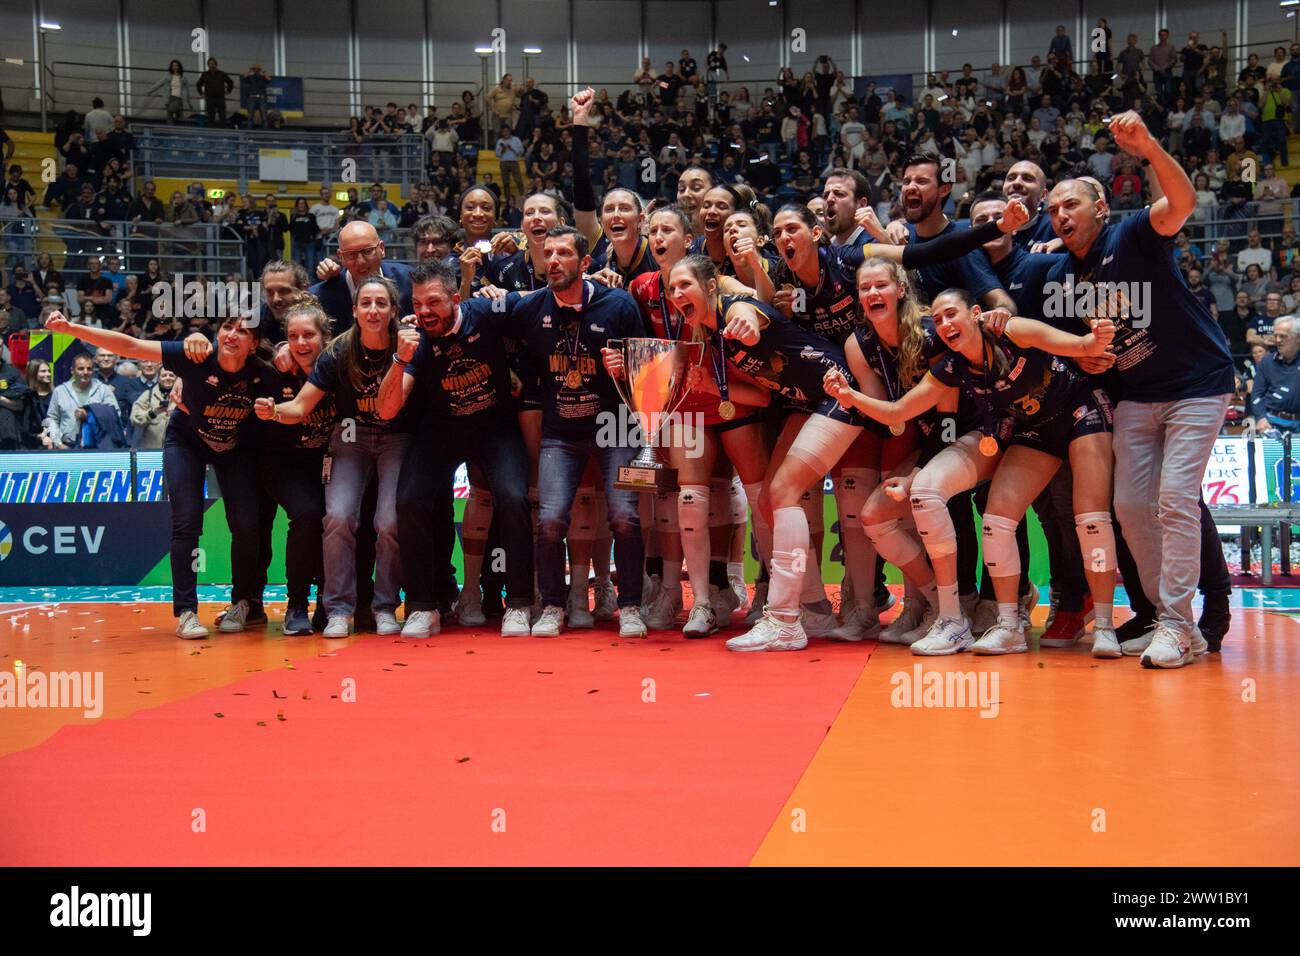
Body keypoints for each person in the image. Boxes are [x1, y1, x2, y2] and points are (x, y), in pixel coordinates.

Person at [1045, 110, 1236, 669]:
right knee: (1128, 506)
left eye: (1070, 204)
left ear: (1099, 208)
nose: (1059, 215)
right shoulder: (1063, 276)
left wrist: (1149, 148)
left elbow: (1181, 204)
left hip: (1197, 383)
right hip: (1137, 397)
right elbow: (1092, 349)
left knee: (1176, 498)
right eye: (1052, 210)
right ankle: (1165, 618)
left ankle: (1181, 623)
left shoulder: (1132, 235)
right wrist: (1094, 350)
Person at [45, 310, 267, 638]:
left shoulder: (264, 371)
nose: (232, 335)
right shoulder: (196, 356)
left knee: (248, 525)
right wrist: (70, 328)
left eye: (242, 331)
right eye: (226, 327)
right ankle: (187, 613)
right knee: (187, 521)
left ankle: (243, 603)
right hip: (186, 440)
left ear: (255, 344)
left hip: (233, 447)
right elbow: (131, 346)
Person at [496, 226, 648, 638]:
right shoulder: (530, 309)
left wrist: (627, 369)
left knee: (624, 516)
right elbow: (488, 331)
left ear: (585, 263)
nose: (554, 261)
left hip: (616, 427)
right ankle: (552, 606)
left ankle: (630, 605)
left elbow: (651, 367)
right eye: (548, 254)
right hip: (560, 431)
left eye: (564, 253)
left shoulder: (618, 304)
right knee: (548, 520)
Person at [378, 261, 534, 639]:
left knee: (514, 498)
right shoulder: (414, 339)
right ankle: (422, 606)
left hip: (495, 427)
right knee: (411, 500)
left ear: (455, 298)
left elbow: (543, 301)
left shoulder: (487, 311)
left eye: (433, 302)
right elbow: (386, 409)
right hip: (441, 429)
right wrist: (400, 359)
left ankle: (519, 603)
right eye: (417, 304)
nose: (425, 311)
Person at [256, 276, 412, 638]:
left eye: (381, 303)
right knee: (338, 517)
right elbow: (299, 405)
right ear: (354, 311)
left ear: (392, 311)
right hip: (351, 437)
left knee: (389, 522)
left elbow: (390, 410)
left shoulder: (407, 343)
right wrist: (273, 410)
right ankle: (338, 609)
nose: (373, 310)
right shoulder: (339, 351)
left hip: (396, 437)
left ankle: (385, 606)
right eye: (365, 303)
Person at [254, 298, 335, 635]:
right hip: (281, 465)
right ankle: (297, 604)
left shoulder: (339, 367)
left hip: (328, 464)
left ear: (325, 337)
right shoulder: (275, 371)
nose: (301, 344)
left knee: (340, 519)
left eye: (309, 336)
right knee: (307, 514)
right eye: (293, 336)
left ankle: (330, 602)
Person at [129, 365, 178, 449]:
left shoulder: (183, 396)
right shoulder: (148, 395)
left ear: (177, 378)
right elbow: (134, 419)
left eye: (171, 375)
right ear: (158, 378)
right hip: (151, 450)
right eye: (164, 375)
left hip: (176, 448)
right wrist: (152, 413)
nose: (168, 378)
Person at [197, 58, 234, 127]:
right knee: (211, 115)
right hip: (209, 98)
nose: (212, 65)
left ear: (216, 65)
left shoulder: (222, 74)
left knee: (222, 115)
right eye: (210, 64)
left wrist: (229, 90)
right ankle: (211, 131)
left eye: (213, 64)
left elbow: (230, 82)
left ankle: (223, 130)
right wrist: (201, 93)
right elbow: (199, 84)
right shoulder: (205, 74)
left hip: (220, 98)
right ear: (208, 65)